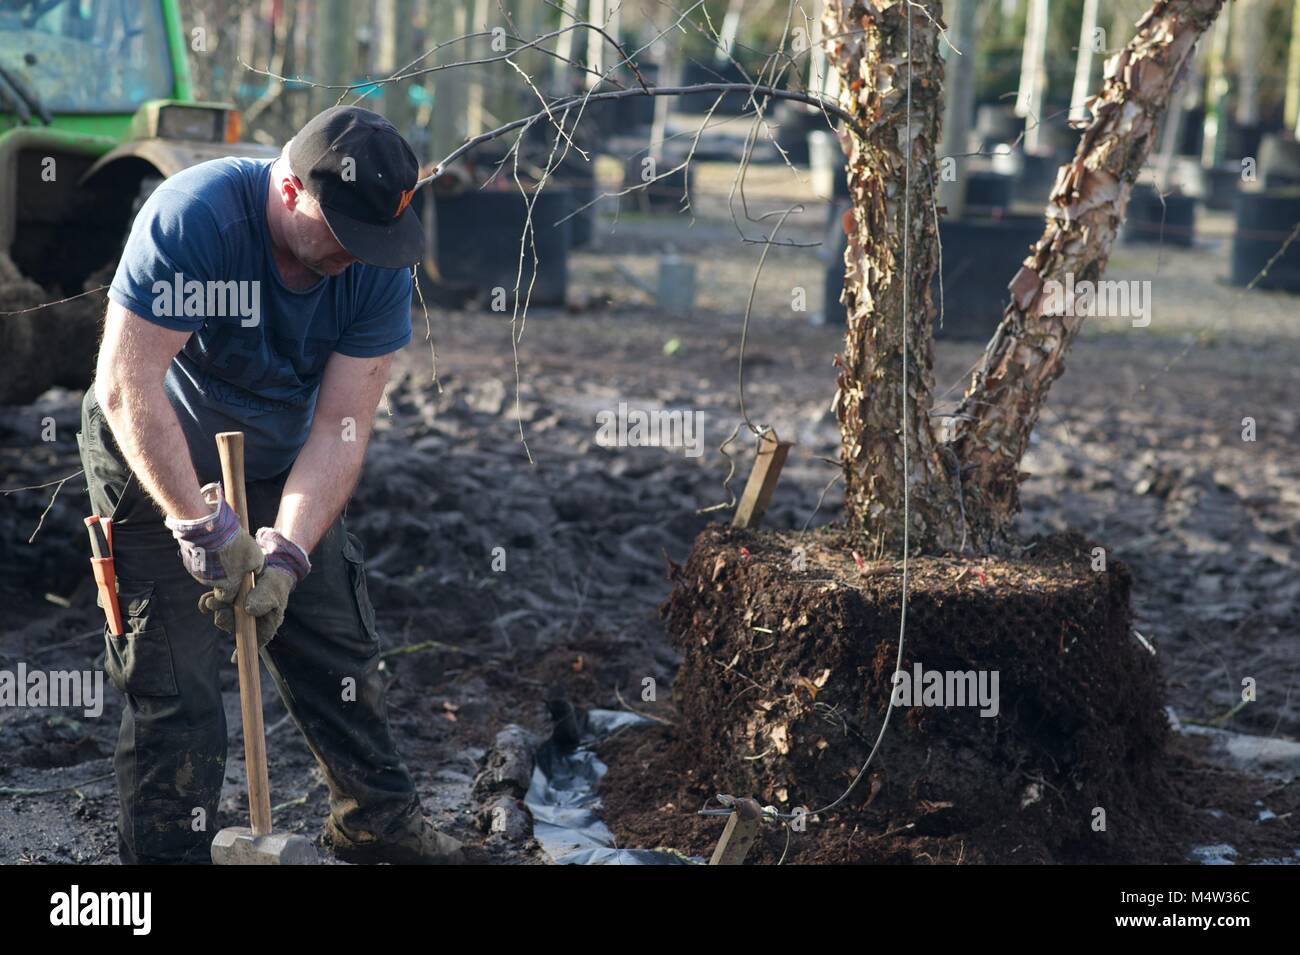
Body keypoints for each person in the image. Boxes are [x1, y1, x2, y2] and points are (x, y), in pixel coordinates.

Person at [78, 105, 462, 864]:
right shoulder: (197, 220)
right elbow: (127, 387)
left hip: (288, 451)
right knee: (176, 682)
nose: (357, 257)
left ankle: (374, 820)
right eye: (344, 236)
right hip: (159, 443)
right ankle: (164, 859)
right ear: (290, 192)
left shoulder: (375, 265)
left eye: (373, 240)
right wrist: (200, 525)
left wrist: (284, 552)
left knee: (339, 646)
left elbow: (341, 427)